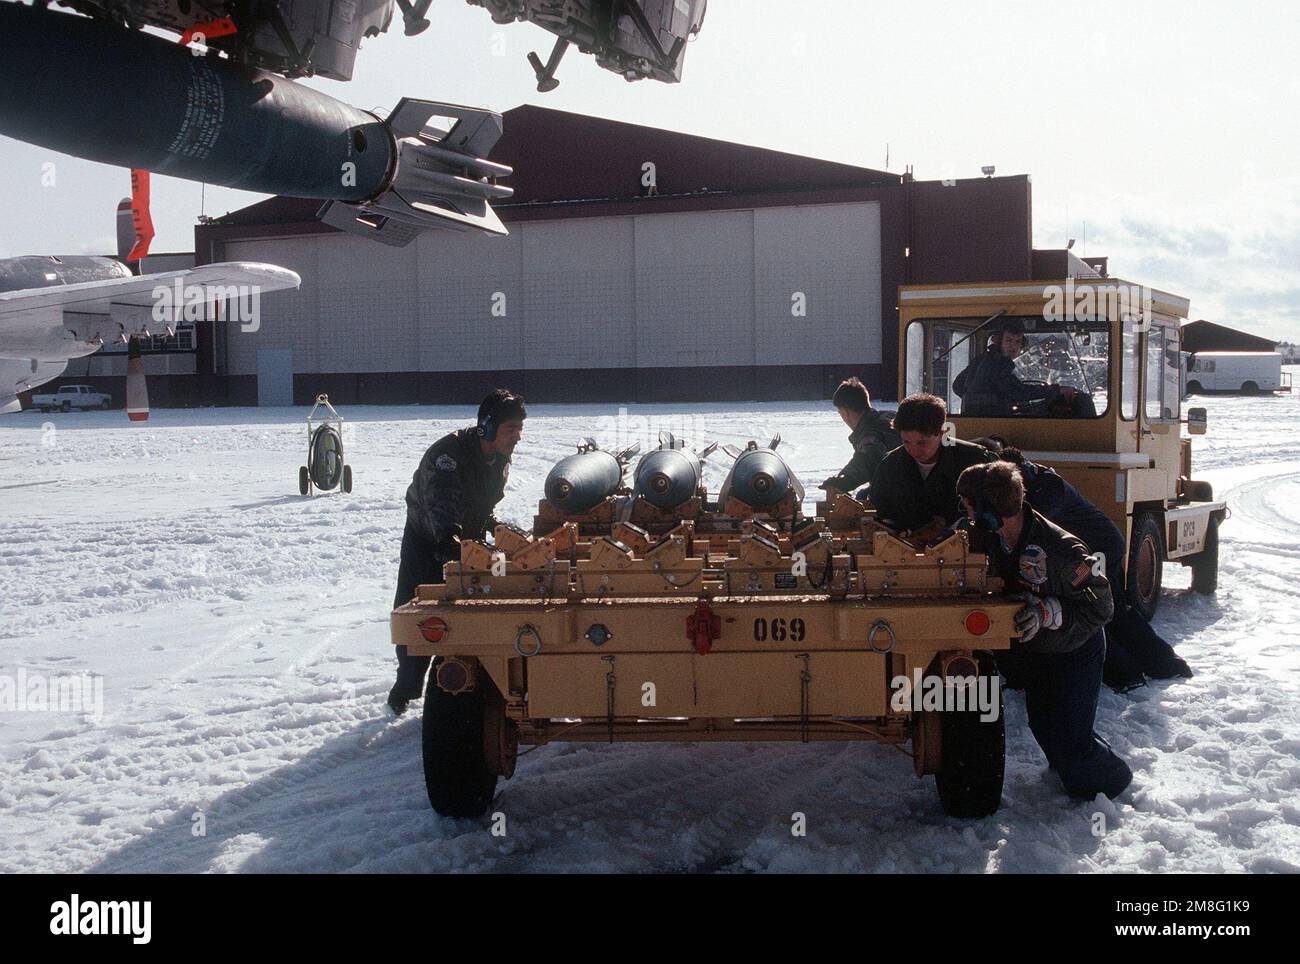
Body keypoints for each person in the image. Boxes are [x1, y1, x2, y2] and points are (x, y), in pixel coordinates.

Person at [956, 460, 1133, 800]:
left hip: (1074, 649)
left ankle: (1114, 785)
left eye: (968, 504)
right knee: (1045, 727)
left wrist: (1050, 612)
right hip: (1037, 650)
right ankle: (1072, 774)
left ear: (990, 510)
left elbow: (1101, 607)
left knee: (1071, 744)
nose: (966, 512)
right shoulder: (986, 535)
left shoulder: (1062, 550)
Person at [972, 439, 1192, 690]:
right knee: (1108, 611)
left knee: (1102, 612)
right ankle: (1152, 666)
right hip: (1082, 552)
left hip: (1099, 548)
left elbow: (1033, 536)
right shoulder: (1033, 483)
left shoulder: (1045, 490)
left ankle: (1143, 671)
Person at [387, 389, 527, 715]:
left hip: (468, 538)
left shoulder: (499, 459)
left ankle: (469, 683)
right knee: (420, 613)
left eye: (520, 429)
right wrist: (448, 540)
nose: (517, 437)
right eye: (510, 430)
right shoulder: (446, 456)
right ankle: (404, 692)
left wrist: (491, 525)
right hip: (429, 541)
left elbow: (482, 501)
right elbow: (443, 501)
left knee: (474, 611)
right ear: (487, 428)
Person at [867, 393, 995, 532]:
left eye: (921, 442)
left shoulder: (976, 462)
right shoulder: (889, 467)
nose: (913, 450)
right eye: (906, 442)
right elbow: (878, 513)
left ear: (942, 433)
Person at [953, 318, 1077, 416]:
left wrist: (974, 401)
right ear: (998, 341)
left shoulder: (982, 359)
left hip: (975, 420)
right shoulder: (997, 364)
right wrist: (1056, 391)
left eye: (1018, 342)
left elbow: (957, 386)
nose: (1013, 346)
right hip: (995, 422)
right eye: (1009, 340)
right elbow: (1017, 391)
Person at [818, 376, 901, 498]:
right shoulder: (890, 416)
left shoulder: (870, 434)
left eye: (840, 412)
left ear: (845, 412)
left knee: (865, 497)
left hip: (906, 494)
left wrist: (841, 482)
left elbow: (866, 461)